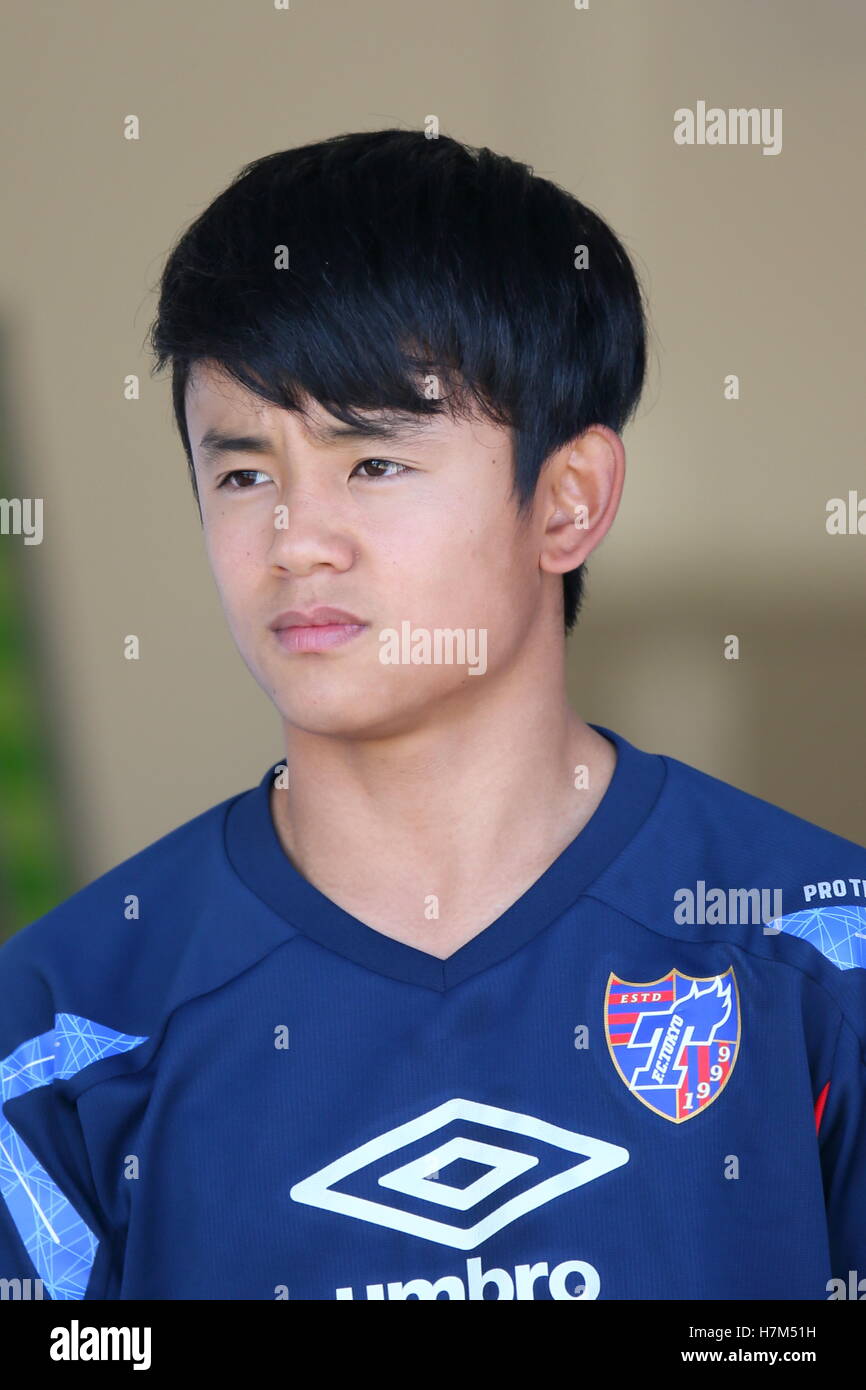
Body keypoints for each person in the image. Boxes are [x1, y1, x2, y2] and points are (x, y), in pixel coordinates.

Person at [1, 129, 863, 1302]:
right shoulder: (58, 1034)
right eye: (244, 471)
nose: (295, 540)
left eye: (372, 463)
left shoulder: (821, 958)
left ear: (566, 501)